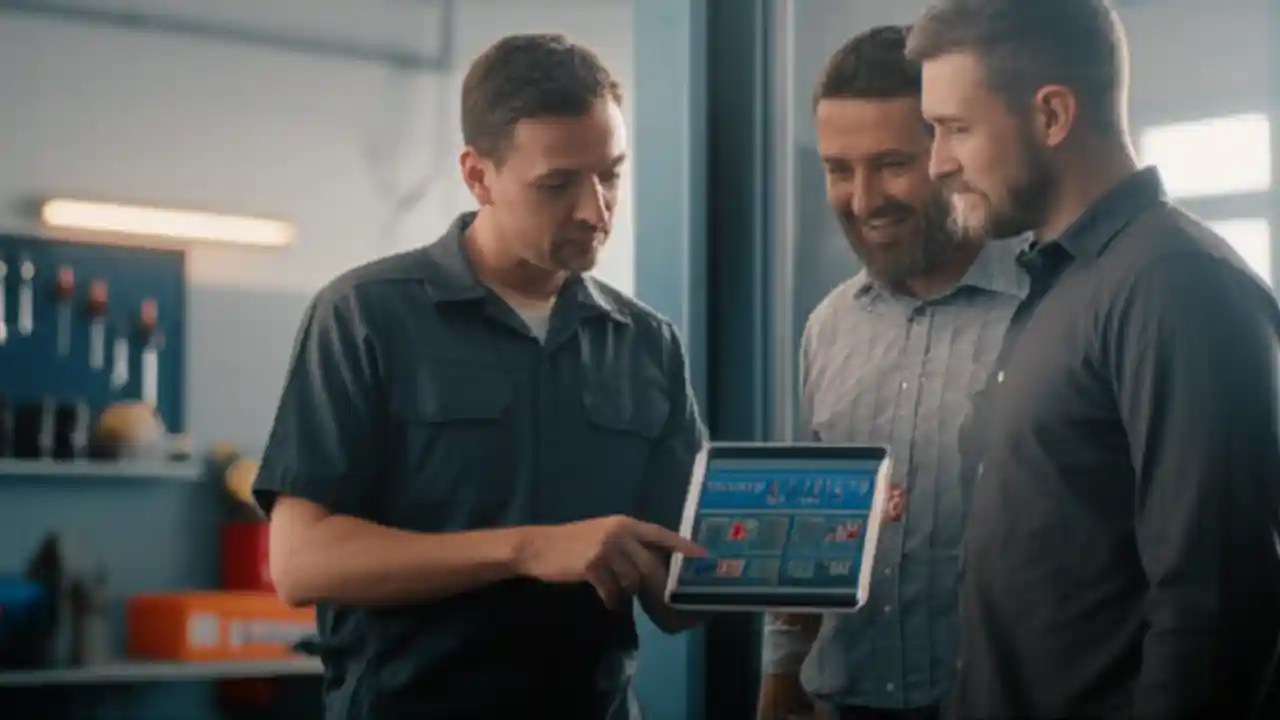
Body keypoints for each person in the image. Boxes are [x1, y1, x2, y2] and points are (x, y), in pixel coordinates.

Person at [252, 33, 707, 720]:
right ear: (478, 176)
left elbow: (678, 596)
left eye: (610, 175)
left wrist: (795, 560)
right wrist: (526, 550)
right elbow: (302, 563)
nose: (595, 210)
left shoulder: (646, 344)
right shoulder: (365, 317)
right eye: (557, 184)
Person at [906, 1, 1280, 717]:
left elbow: (1216, 611)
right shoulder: (1062, 281)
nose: (938, 162)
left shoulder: (1178, 285)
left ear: (1051, 115)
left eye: (957, 128)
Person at [757, 26, 1027, 720]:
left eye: (890, 164)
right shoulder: (828, 328)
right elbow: (807, 529)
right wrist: (780, 677)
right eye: (838, 169)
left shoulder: (1052, 310)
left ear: (951, 153)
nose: (863, 199)